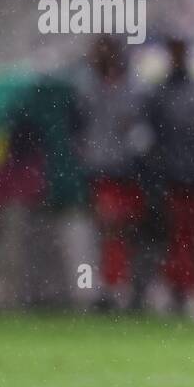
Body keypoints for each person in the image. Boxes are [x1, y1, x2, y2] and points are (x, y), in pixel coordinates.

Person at [144, 38, 194, 322]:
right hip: (174, 176)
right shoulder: (161, 91)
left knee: (186, 237)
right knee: (183, 236)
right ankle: (190, 292)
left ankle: (165, 288)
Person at [70, 35, 150, 311]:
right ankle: (112, 285)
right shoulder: (87, 87)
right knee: (109, 226)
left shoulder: (132, 87)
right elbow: (78, 128)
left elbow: (141, 127)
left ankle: (119, 284)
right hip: (101, 170)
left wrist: (137, 144)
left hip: (127, 170)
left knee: (122, 230)